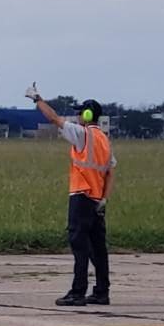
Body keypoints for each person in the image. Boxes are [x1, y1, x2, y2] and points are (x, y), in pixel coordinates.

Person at [26, 82, 116, 306]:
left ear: (87, 115)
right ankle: (101, 292)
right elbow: (111, 171)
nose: (77, 117)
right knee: (98, 248)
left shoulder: (83, 134)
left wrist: (38, 99)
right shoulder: (104, 139)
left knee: (79, 246)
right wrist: (104, 198)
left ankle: (78, 292)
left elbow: (54, 118)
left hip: (81, 196)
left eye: (80, 113)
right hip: (97, 199)